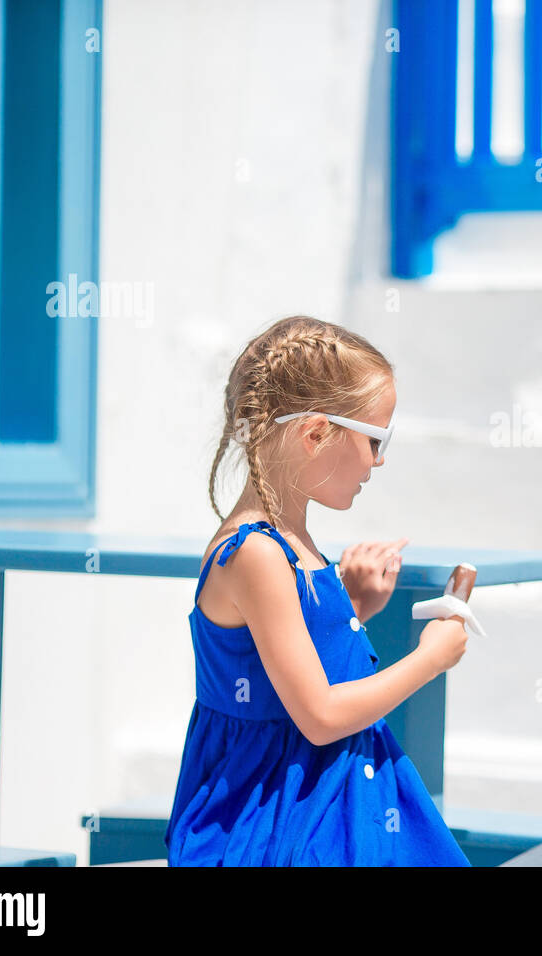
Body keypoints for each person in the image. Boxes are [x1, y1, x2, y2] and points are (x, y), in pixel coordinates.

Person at [165, 315, 471, 865]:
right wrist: (430, 658)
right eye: (376, 440)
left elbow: (272, 660)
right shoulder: (257, 552)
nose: (379, 462)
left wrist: (351, 609)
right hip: (280, 819)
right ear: (314, 434)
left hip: (322, 800)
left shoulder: (289, 538)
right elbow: (320, 715)